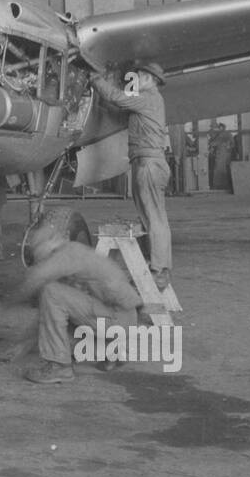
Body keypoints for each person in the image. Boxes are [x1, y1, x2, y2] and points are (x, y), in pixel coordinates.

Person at [13, 221, 143, 384]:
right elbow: (49, 316)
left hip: (115, 319)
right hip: (125, 319)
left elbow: (32, 282)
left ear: (52, 241)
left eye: (38, 247)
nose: (36, 254)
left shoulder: (67, 253)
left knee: (51, 292)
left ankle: (60, 366)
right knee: (60, 299)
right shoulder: (76, 255)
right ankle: (112, 351)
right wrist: (25, 342)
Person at [90, 61, 173, 291]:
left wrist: (96, 79)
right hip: (145, 162)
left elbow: (118, 98)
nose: (135, 79)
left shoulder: (148, 98)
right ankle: (157, 268)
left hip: (149, 164)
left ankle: (159, 273)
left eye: (138, 76)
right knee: (151, 217)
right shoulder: (145, 101)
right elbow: (118, 108)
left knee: (154, 218)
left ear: (148, 78)